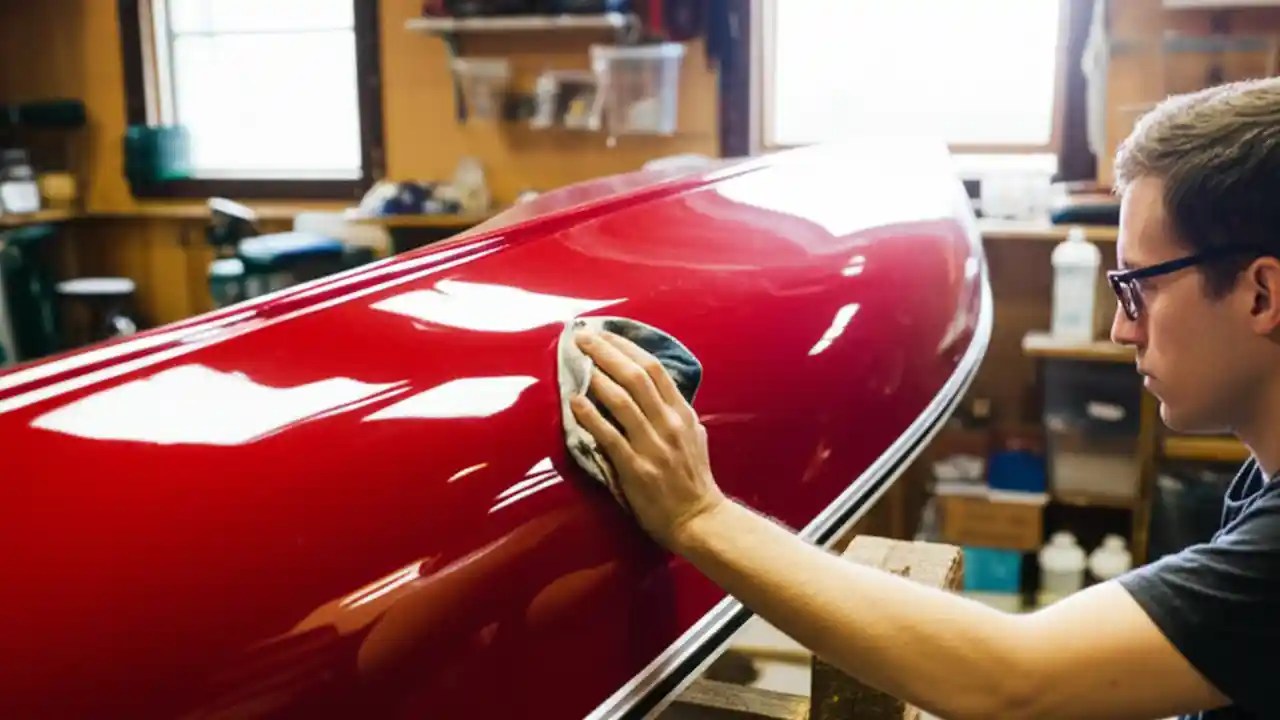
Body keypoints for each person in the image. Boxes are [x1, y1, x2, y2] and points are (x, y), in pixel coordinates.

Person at [568, 76, 1280, 720]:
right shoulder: (1261, 472)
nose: (1123, 326)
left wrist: (697, 515)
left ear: (1262, 294)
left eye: (1139, 286)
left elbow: (1014, 677)